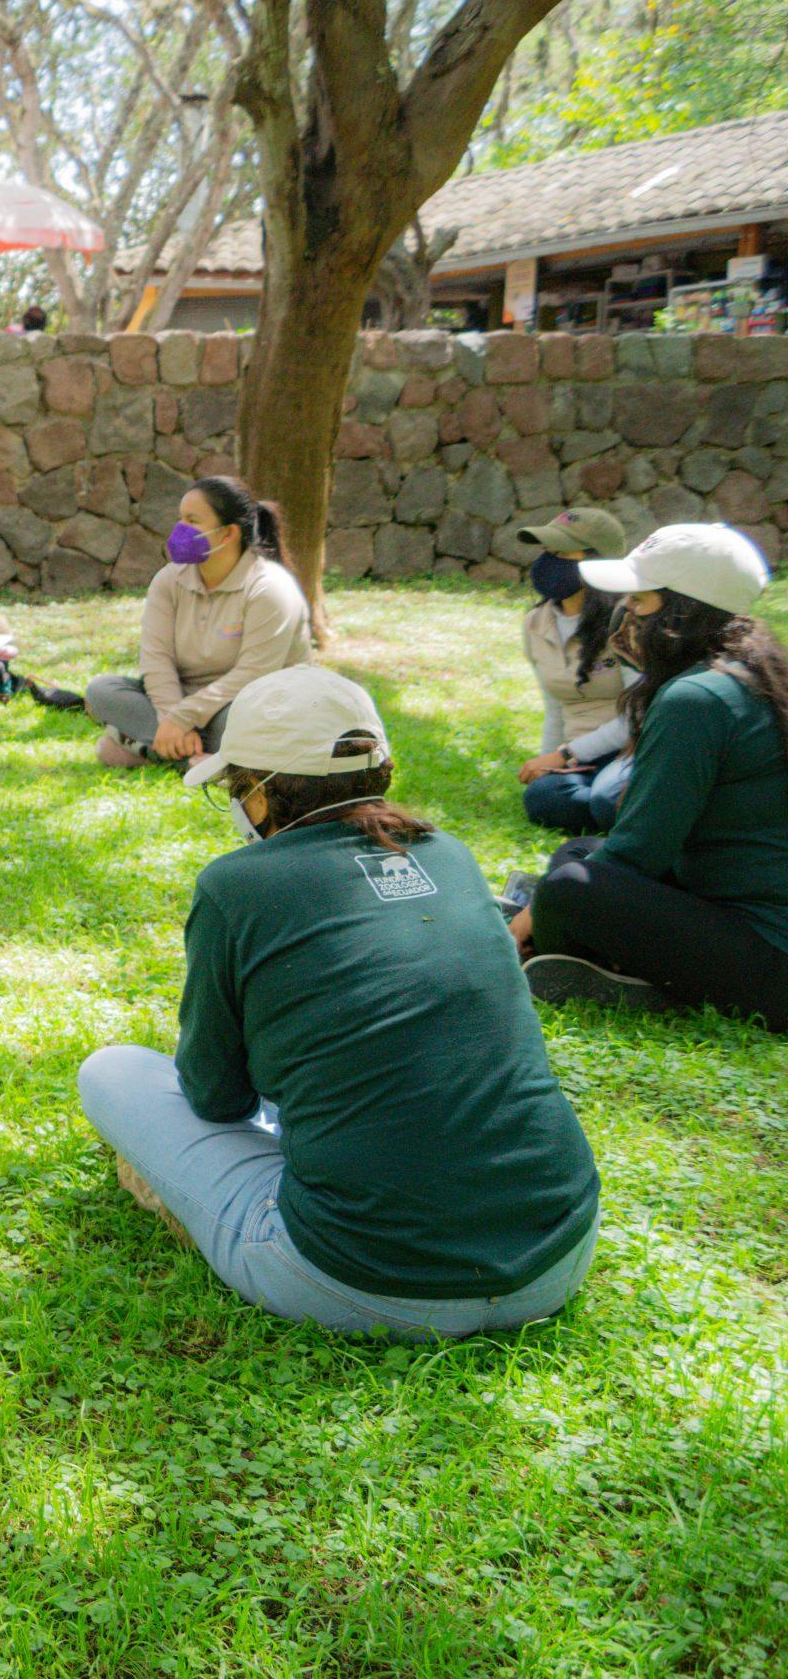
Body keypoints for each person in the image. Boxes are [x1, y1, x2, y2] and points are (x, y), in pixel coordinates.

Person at [77, 667, 600, 1339]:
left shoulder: (235, 886)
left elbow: (214, 1098)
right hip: (559, 1255)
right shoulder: (450, 854)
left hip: (358, 1281)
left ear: (261, 795)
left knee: (111, 1071)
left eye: (237, 789)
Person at [516, 525, 788, 1027]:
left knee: (570, 885)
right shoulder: (746, 671)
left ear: (681, 611)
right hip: (731, 911)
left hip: (768, 957)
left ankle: (629, 975)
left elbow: (639, 851)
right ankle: (612, 964)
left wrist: (522, 924)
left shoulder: (696, 699)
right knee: (576, 855)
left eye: (639, 601)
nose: (626, 614)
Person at [86, 475, 313, 769]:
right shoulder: (169, 580)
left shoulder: (269, 588)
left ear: (228, 534)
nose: (181, 529)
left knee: (255, 720)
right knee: (103, 690)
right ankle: (210, 761)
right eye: (180, 518)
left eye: (193, 520)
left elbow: (254, 674)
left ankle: (151, 748)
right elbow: (157, 660)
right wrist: (172, 717)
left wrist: (183, 718)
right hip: (185, 701)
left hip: (252, 705)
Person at [515, 509, 637, 833]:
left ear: (599, 561)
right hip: (578, 762)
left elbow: (640, 714)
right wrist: (547, 764)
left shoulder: (629, 621)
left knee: (607, 797)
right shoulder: (536, 623)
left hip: (632, 750)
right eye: (547, 552)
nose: (549, 562)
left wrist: (564, 755)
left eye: (562, 553)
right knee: (544, 798)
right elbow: (555, 707)